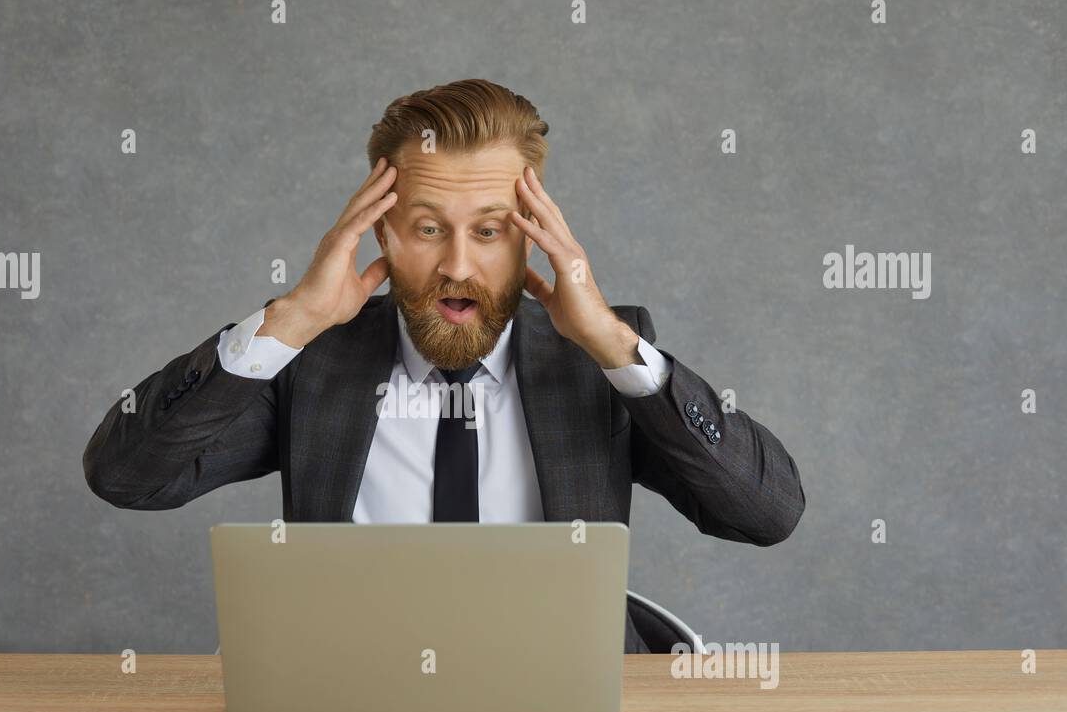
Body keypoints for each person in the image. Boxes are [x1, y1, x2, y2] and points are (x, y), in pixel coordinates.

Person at [82, 78, 806, 651]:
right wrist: (291, 321)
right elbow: (129, 476)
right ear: (380, 234)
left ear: (532, 240)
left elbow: (766, 513)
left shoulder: (597, 363)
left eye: (489, 231)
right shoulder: (314, 362)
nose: (458, 265)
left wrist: (616, 348)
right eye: (428, 229)